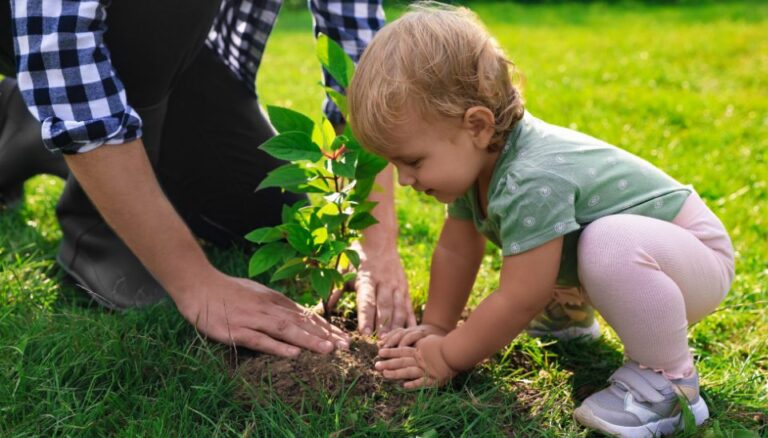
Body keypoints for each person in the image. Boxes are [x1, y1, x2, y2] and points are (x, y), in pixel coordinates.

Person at [347, 4, 735, 437]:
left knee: (607, 241)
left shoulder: (530, 176)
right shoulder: (479, 163)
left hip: (692, 259)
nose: (404, 180)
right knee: (586, 237)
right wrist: (437, 326)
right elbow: (457, 250)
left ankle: (669, 385)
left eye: (413, 161)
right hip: (657, 260)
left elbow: (520, 296)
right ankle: (569, 313)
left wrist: (447, 355)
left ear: (476, 125)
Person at [0, 0, 416, 358]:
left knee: (268, 210)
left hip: (182, 54)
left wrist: (376, 243)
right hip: (41, 30)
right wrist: (196, 283)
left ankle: (26, 116)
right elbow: (61, 47)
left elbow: (354, 44)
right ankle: (98, 232)